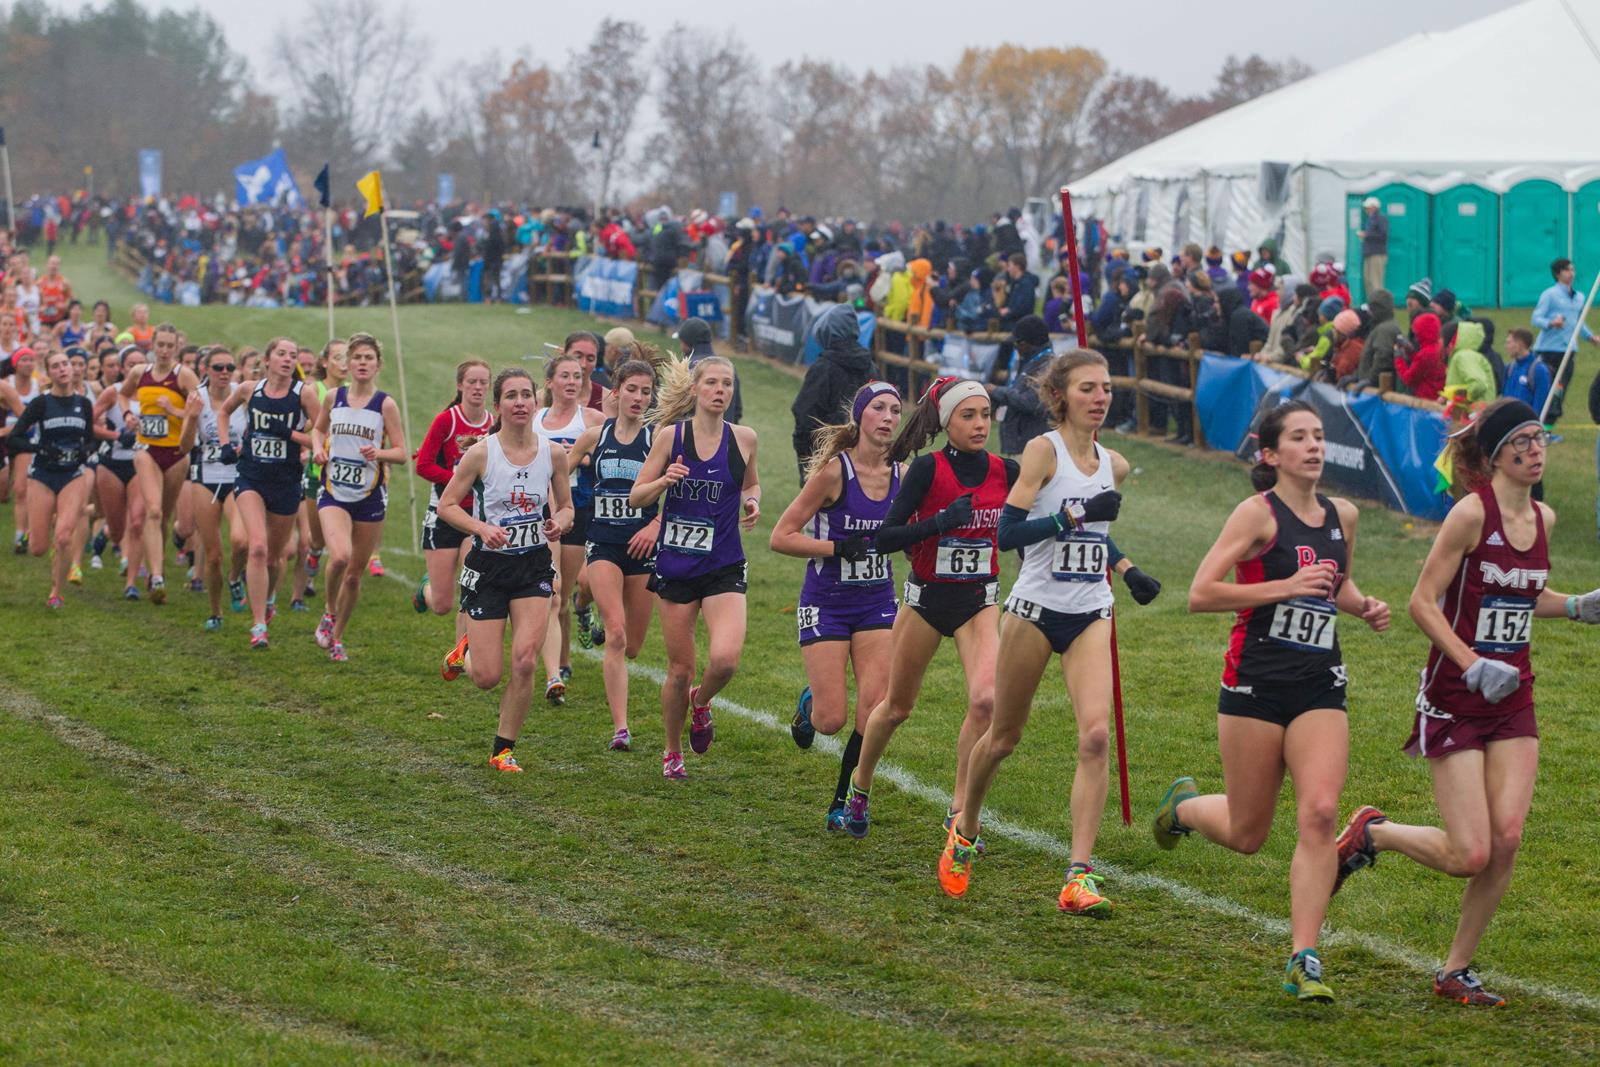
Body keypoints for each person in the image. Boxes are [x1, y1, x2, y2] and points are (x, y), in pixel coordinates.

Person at [1335, 400, 1600, 1006]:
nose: (1537, 451)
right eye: (1524, 442)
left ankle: (1454, 969)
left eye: (1541, 440)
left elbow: (1523, 594)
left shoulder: (1545, 518)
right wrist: (1471, 663)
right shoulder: (1468, 515)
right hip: (1455, 696)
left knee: (1506, 838)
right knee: (1468, 852)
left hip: (1514, 699)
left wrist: (1579, 605)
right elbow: (1423, 602)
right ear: (1496, 454)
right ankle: (1373, 833)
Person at [1152, 400, 1390, 1003]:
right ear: (1270, 454)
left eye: (1319, 436)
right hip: (1255, 685)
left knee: (1318, 814)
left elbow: (1337, 580)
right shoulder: (1255, 516)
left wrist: (1362, 606)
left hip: (1319, 686)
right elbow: (1201, 593)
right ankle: (1182, 810)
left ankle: (1303, 958)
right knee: (1247, 830)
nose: (1313, 446)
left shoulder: (1345, 515)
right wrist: (1282, 586)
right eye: (1299, 438)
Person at [940, 350, 1161, 913]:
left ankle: (1078, 876)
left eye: (1107, 387)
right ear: (1061, 396)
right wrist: (1074, 515)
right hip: (1034, 610)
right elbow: (1008, 534)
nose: (1101, 397)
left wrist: (1128, 570)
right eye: (1089, 387)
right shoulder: (1043, 451)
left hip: (1092, 610)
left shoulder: (1116, 463)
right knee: (1004, 738)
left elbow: (1094, 534)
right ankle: (964, 829)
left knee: (1094, 738)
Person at [840, 377, 1018, 838]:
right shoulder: (926, 470)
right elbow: (884, 538)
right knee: (896, 707)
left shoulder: (1006, 471)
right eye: (968, 415)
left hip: (979, 601)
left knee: (985, 701)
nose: (980, 424)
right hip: (925, 601)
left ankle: (958, 807)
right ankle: (860, 787)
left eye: (985, 415)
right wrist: (939, 522)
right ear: (946, 421)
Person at [771, 381, 903, 828]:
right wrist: (835, 548)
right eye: (879, 408)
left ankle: (844, 801)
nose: (887, 417)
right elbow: (781, 536)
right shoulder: (833, 473)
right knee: (831, 720)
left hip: (878, 604)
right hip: (827, 601)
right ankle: (809, 704)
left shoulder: (903, 475)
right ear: (860, 417)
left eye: (895, 410)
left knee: (874, 709)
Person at [629, 355, 761, 780]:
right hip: (677, 566)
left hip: (723, 562)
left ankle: (700, 703)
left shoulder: (744, 438)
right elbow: (637, 497)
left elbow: (751, 481)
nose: (721, 391)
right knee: (680, 668)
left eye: (727, 384)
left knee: (725, 661)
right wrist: (664, 481)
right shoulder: (671, 437)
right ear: (696, 391)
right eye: (712, 383)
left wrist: (752, 500)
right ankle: (672, 751)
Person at [436, 367, 573, 774]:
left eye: (526, 395)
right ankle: (465, 651)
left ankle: (503, 749)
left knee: (526, 660)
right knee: (486, 677)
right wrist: (480, 528)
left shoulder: (553, 454)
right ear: (498, 406)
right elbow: (446, 506)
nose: (519, 402)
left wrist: (558, 524)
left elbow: (566, 507)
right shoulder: (480, 453)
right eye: (510, 396)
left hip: (532, 565)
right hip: (489, 569)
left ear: (536, 402)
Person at [566, 360, 662, 751]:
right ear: (616, 392)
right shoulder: (594, 436)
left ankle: (581, 597)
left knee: (634, 646)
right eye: (632, 389)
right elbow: (560, 470)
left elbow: (681, 491)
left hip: (642, 547)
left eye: (646, 391)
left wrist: (656, 526)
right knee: (617, 635)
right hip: (603, 541)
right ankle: (621, 728)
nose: (639, 398)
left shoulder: (658, 439)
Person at [218, 336, 321, 649]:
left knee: (278, 557)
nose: (287, 359)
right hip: (251, 477)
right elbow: (224, 412)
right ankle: (259, 624)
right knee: (258, 547)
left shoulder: (304, 394)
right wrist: (225, 445)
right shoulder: (250, 389)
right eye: (281, 354)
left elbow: (321, 434)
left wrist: (290, 434)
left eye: (292, 355)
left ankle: (271, 597)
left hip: (286, 481)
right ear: (267, 359)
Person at [311, 333, 407, 662]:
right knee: (338, 556)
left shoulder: (385, 404)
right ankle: (328, 611)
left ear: (378, 365)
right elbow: (318, 430)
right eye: (357, 358)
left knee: (354, 574)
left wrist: (377, 452)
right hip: (334, 491)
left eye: (369, 358)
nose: (362, 363)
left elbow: (402, 452)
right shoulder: (333, 397)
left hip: (369, 496)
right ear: (348, 364)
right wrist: (315, 450)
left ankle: (338, 637)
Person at [534, 348, 606, 701]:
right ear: (549, 382)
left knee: (564, 591)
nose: (572, 382)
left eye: (577, 377)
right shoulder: (534, 417)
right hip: (537, 512)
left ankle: (562, 659)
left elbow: (613, 455)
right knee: (554, 589)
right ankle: (558, 666)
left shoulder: (591, 418)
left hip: (577, 509)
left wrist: (579, 457)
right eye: (565, 376)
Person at [116, 322, 199, 604]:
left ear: (176, 347)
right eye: (159, 345)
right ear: (151, 345)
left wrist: (172, 409)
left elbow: (199, 411)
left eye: (169, 346)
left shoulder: (184, 375)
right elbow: (122, 393)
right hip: (147, 450)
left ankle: (155, 569)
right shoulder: (141, 372)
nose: (164, 350)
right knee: (151, 511)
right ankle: (157, 576)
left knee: (162, 517)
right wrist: (127, 413)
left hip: (176, 453)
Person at [8, 349, 97, 606]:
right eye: (56, 366)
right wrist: (41, 449)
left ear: (72, 369)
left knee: (63, 537)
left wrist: (85, 450)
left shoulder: (84, 404)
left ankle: (56, 593)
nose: (63, 369)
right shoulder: (41, 403)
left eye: (65, 364)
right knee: (38, 548)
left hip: (73, 475)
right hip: (43, 475)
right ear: (49, 373)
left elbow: (90, 439)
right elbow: (14, 438)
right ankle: (55, 522)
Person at [413, 359, 493, 642]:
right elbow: (422, 465)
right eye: (472, 382)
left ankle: (461, 652)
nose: (478, 387)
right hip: (444, 514)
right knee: (441, 604)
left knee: (471, 586)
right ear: (460, 385)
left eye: (484, 382)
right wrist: (459, 480)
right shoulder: (446, 420)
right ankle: (426, 588)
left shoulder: (494, 424)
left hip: (477, 519)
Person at [177, 346, 247, 629]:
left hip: (237, 477)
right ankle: (216, 611)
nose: (225, 373)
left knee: (241, 540)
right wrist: (192, 417)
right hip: (205, 477)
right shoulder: (197, 398)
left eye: (229, 367)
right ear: (205, 370)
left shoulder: (242, 397)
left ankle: (235, 576)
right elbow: (182, 447)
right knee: (214, 554)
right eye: (218, 367)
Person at [790, 304, 875, 481]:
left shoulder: (823, 368)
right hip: (863, 456)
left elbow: (805, 413)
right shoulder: (871, 368)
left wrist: (806, 453)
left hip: (826, 454)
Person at [1530, 258, 1596, 431]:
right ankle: (1534, 426)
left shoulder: (1579, 297)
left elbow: (1579, 322)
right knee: (1545, 389)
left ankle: (1547, 430)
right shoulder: (1549, 295)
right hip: (1548, 351)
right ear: (1558, 274)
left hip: (1568, 351)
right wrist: (1552, 323)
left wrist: (1590, 338)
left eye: (1573, 270)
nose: (1571, 273)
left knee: (1559, 391)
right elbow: (1536, 318)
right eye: (1567, 270)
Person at [987, 315, 1055, 456]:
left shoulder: (1047, 367)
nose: (1016, 347)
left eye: (1018, 343)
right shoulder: (1030, 362)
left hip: (1032, 447)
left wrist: (996, 391)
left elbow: (1031, 402)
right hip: (1021, 443)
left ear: (1029, 343)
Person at [2, 346, 40, 552]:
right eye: (24, 360)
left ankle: (21, 535)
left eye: (31, 360)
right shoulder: (5, 384)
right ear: (15, 363)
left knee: (21, 488)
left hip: (26, 440)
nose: (28, 364)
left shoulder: (39, 385)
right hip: (6, 440)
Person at [1444, 320, 1496, 408]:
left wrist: (1459, 399)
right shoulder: (1462, 355)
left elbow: (1479, 384)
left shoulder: (1464, 356)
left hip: (1472, 414)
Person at [1397, 312, 1445, 402]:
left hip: (1425, 399)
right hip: (1436, 394)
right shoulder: (1438, 345)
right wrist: (1412, 353)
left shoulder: (1425, 354)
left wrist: (1398, 359)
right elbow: (1424, 367)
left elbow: (1409, 379)